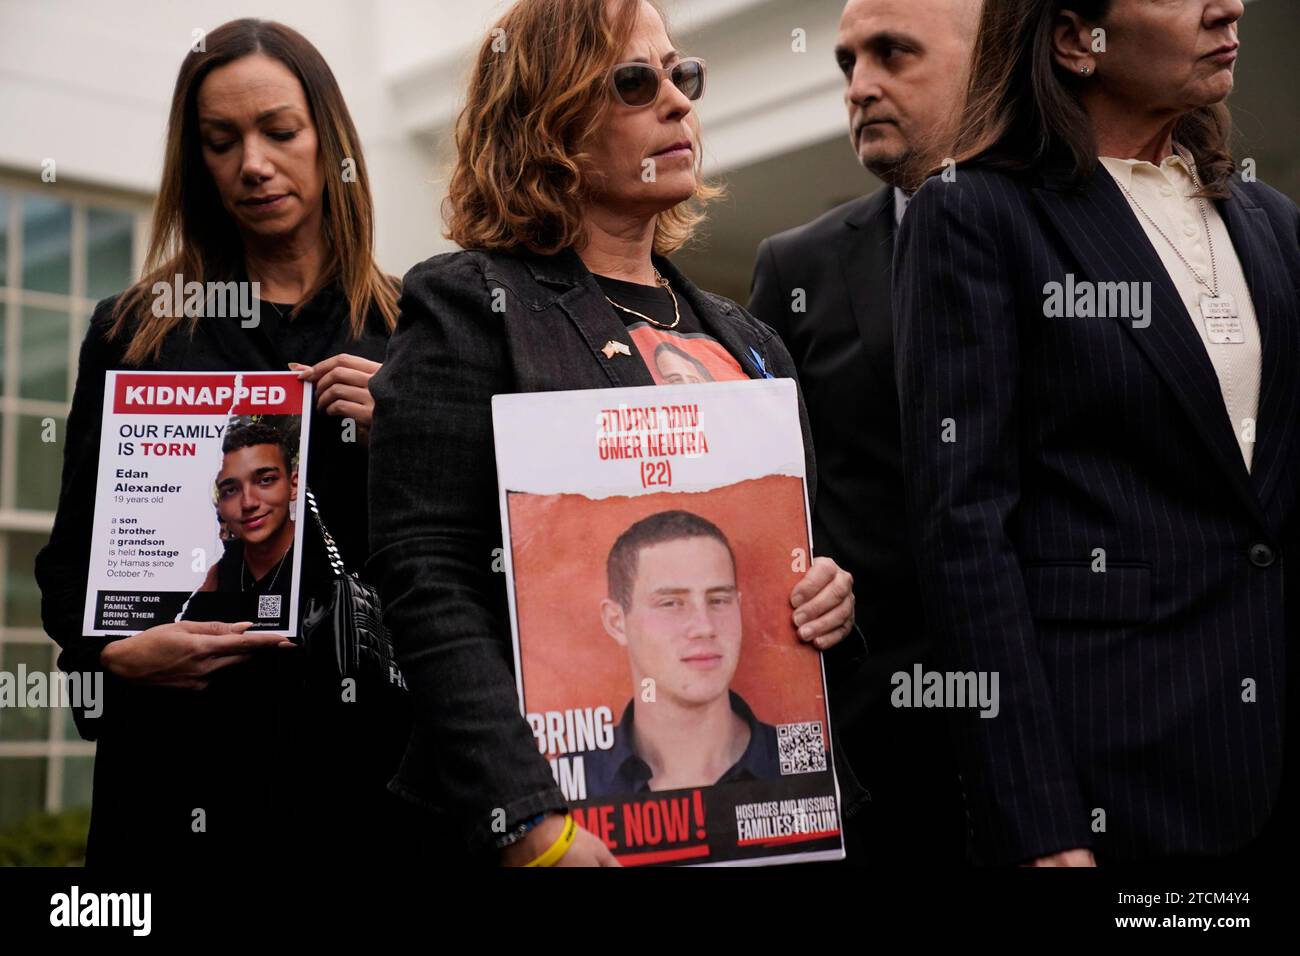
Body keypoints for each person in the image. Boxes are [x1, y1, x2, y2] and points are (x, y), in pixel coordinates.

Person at [368, 0, 865, 868]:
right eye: (635, 82)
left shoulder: (753, 343)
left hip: (768, 824)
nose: (676, 101)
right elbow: (427, 578)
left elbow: (796, 559)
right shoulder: (469, 304)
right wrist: (527, 820)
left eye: (682, 74)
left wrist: (828, 598)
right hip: (561, 830)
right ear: (544, 122)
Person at [893, 0, 1299, 866]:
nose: (1227, 5)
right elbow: (964, 540)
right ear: (1078, 39)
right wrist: (1038, 819)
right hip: (1115, 783)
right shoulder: (974, 217)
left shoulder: (1274, 222)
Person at [34, 18, 410, 867]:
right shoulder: (136, 334)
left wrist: (405, 433)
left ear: (331, 141)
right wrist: (114, 656)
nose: (252, 162)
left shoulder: (411, 332)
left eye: (279, 131)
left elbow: (470, 559)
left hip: (360, 782)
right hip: (176, 775)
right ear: (195, 160)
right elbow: (69, 566)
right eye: (220, 140)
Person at [747, 0, 979, 865]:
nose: (860, 86)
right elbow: (761, 494)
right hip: (876, 744)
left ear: (986, 60)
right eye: (847, 63)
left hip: (1079, 722)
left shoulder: (1079, 246)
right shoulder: (796, 267)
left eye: (892, 54)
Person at [586, 511, 781, 796]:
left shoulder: (804, 764)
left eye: (718, 600)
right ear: (616, 622)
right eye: (670, 604)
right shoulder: (573, 783)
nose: (704, 626)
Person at [191, 421, 299, 620]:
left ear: (293, 486)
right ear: (219, 505)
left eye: (265, 480)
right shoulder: (215, 564)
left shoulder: (321, 559)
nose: (248, 503)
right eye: (230, 490)